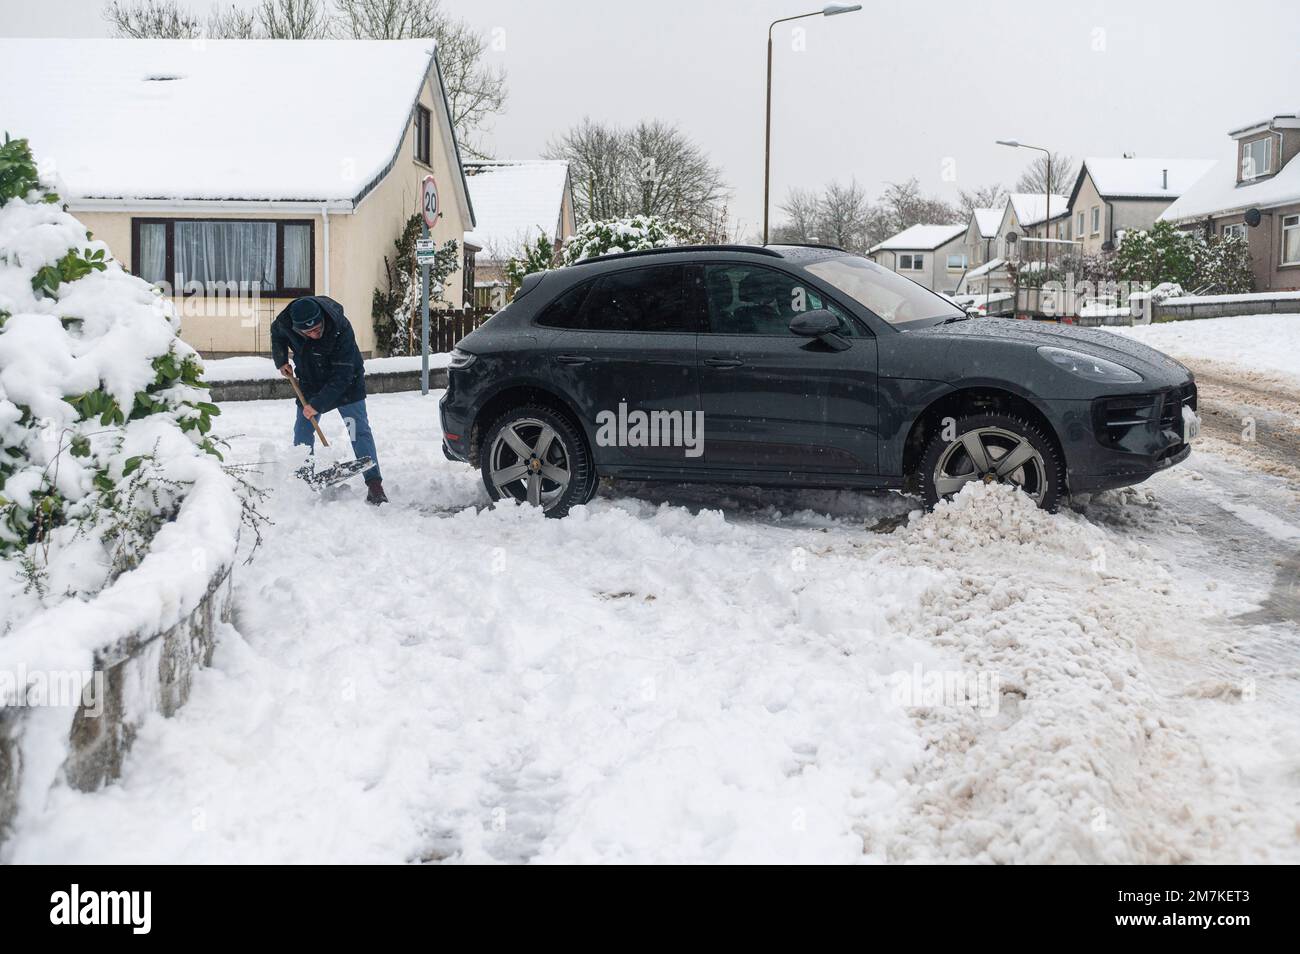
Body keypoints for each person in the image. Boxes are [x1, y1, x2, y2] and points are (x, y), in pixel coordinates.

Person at [271, 296, 387, 505]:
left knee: (357, 429)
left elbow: (342, 375)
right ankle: (303, 482)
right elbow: (277, 333)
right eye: (309, 332)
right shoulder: (285, 321)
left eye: (318, 328)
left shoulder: (340, 327)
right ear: (297, 329)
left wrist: (317, 405)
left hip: (347, 382)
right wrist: (281, 360)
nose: (316, 334)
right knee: (303, 430)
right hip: (309, 378)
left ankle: (374, 484)